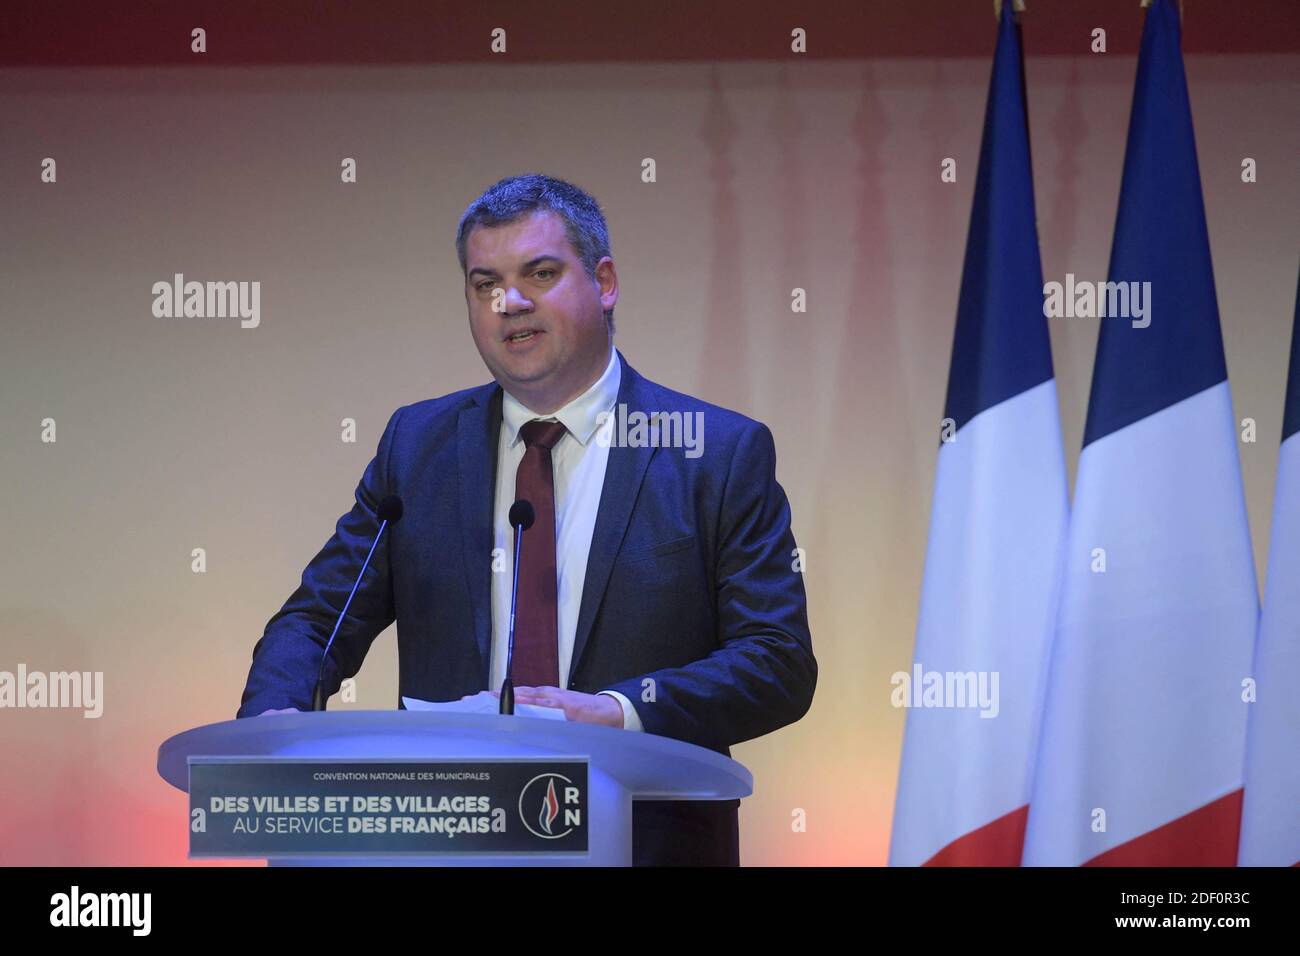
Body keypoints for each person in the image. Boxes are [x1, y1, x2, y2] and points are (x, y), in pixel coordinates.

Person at [237, 173, 817, 865]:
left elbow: (776, 662)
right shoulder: (417, 445)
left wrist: (618, 712)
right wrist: (278, 720)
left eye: (538, 274)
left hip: (642, 842)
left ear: (604, 282)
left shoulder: (714, 453)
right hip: (441, 843)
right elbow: (315, 620)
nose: (508, 303)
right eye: (484, 284)